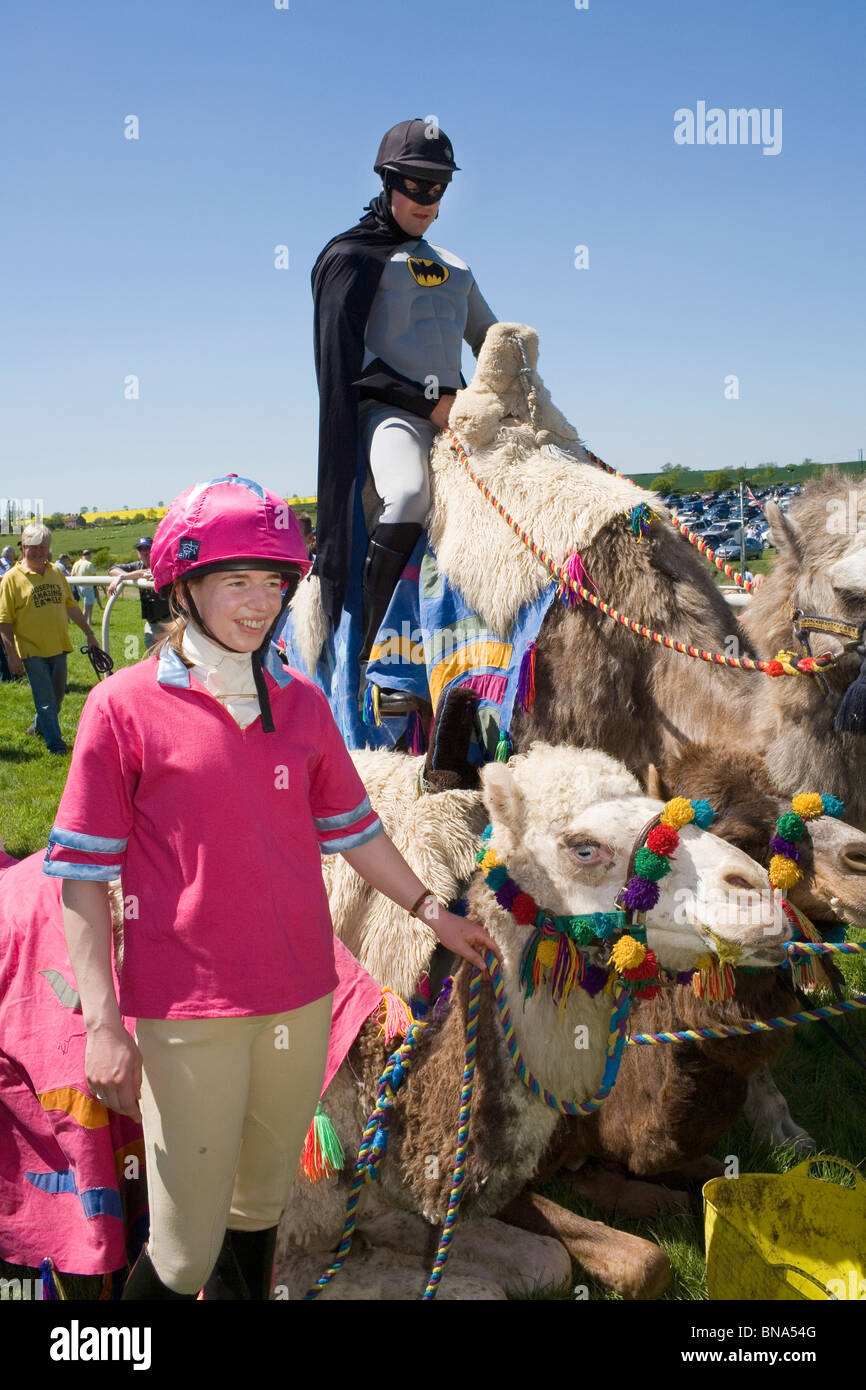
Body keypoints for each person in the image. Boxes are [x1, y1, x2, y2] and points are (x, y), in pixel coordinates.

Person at [46, 473, 498, 1300]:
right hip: (187, 1015)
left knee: (259, 1211)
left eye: (273, 583)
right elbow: (81, 875)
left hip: (299, 1001)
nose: (258, 604)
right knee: (183, 1253)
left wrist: (433, 911)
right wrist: (104, 1023)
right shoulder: (120, 709)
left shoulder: (301, 705)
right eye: (235, 582)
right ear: (183, 587)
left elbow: (356, 829)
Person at [312, 118, 497, 656]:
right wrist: (427, 404)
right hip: (390, 415)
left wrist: (513, 386)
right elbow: (345, 361)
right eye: (414, 184)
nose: (426, 198)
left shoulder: (456, 266)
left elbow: (488, 337)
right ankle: (375, 648)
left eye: (437, 187)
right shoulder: (350, 256)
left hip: (455, 416)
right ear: (388, 180)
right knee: (410, 493)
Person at [0, 523, 98, 753]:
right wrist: (11, 655)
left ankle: (38, 727)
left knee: (57, 696)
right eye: (32, 547)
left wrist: (89, 633)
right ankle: (56, 745)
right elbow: (4, 621)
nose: (38, 551)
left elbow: (71, 606)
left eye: (43, 547)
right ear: (23, 547)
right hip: (30, 650)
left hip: (58, 646)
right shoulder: (12, 579)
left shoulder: (55, 572)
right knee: (45, 700)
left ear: (49, 548)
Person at [107, 536, 172, 650]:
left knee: (173, 656)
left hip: (170, 620)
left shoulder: (162, 564)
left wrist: (126, 576)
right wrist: (124, 576)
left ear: (154, 549)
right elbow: (112, 569)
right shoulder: (137, 566)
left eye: (148, 548)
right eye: (141, 549)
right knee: (152, 657)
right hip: (151, 621)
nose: (144, 552)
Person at [70, 548, 101, 625]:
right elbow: (94, 575)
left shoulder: (76, 563)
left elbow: (72, 575)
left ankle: (89, 621)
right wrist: (96, 586)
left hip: (79, 586)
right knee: (87, 606)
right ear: (89, 555)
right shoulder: (89, 564)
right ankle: (83, 622)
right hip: (88, 586)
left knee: (90, 604)